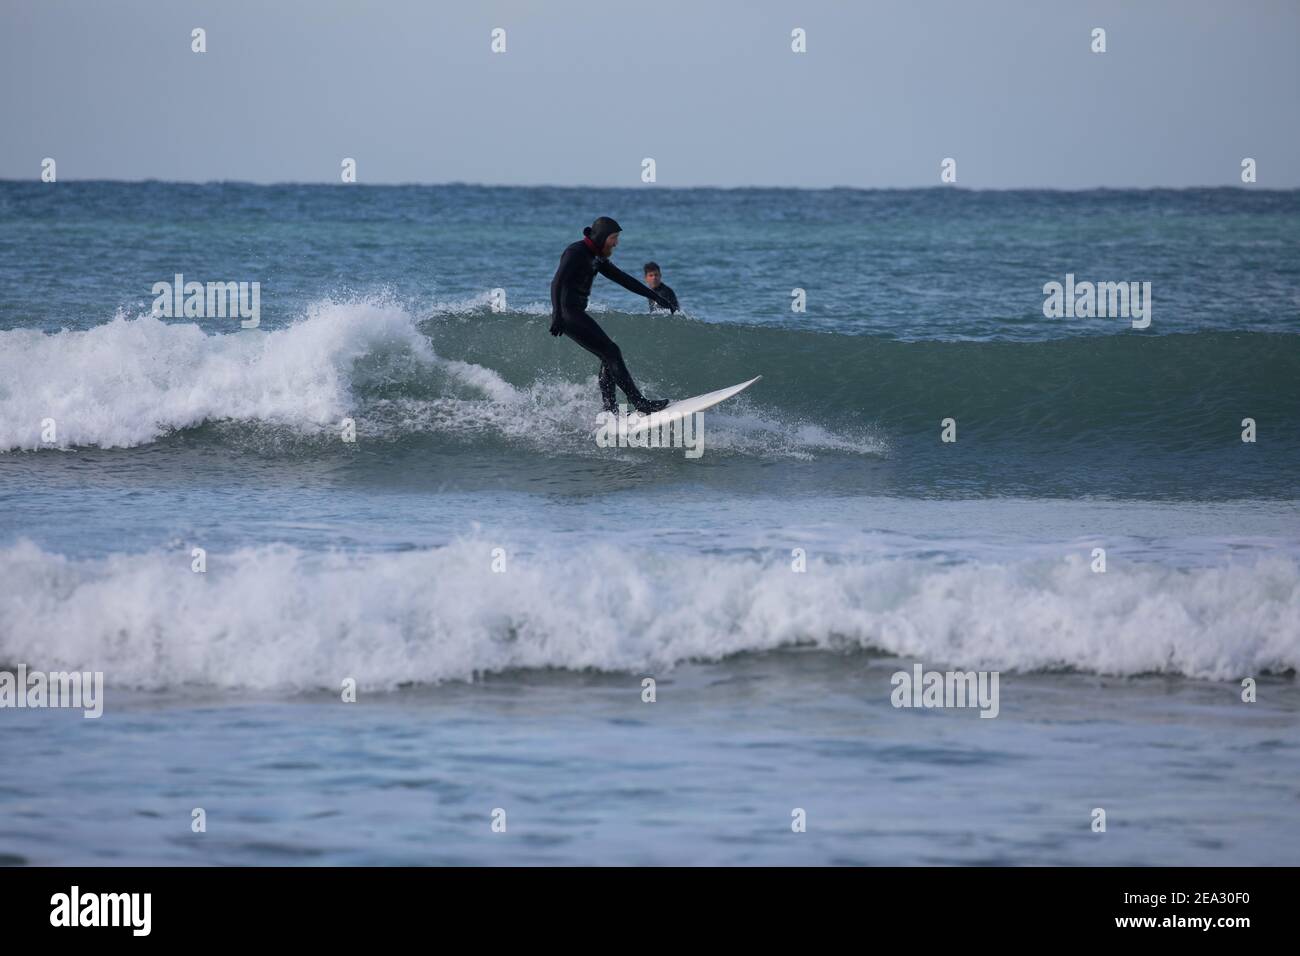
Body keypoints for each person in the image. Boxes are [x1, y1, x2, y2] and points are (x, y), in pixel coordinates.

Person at [550, 217, 674, 413]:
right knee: (611, 352)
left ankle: (610, 408)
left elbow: (624, 280)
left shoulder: (596, 257)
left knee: (608, 355)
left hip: (575, 312)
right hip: (567, 313)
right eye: (613, 238)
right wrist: (557, 315)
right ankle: (639, 403)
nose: (616, 243)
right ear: (601, 237)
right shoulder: (575, 252)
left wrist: (656, 297)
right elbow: (556, 282)